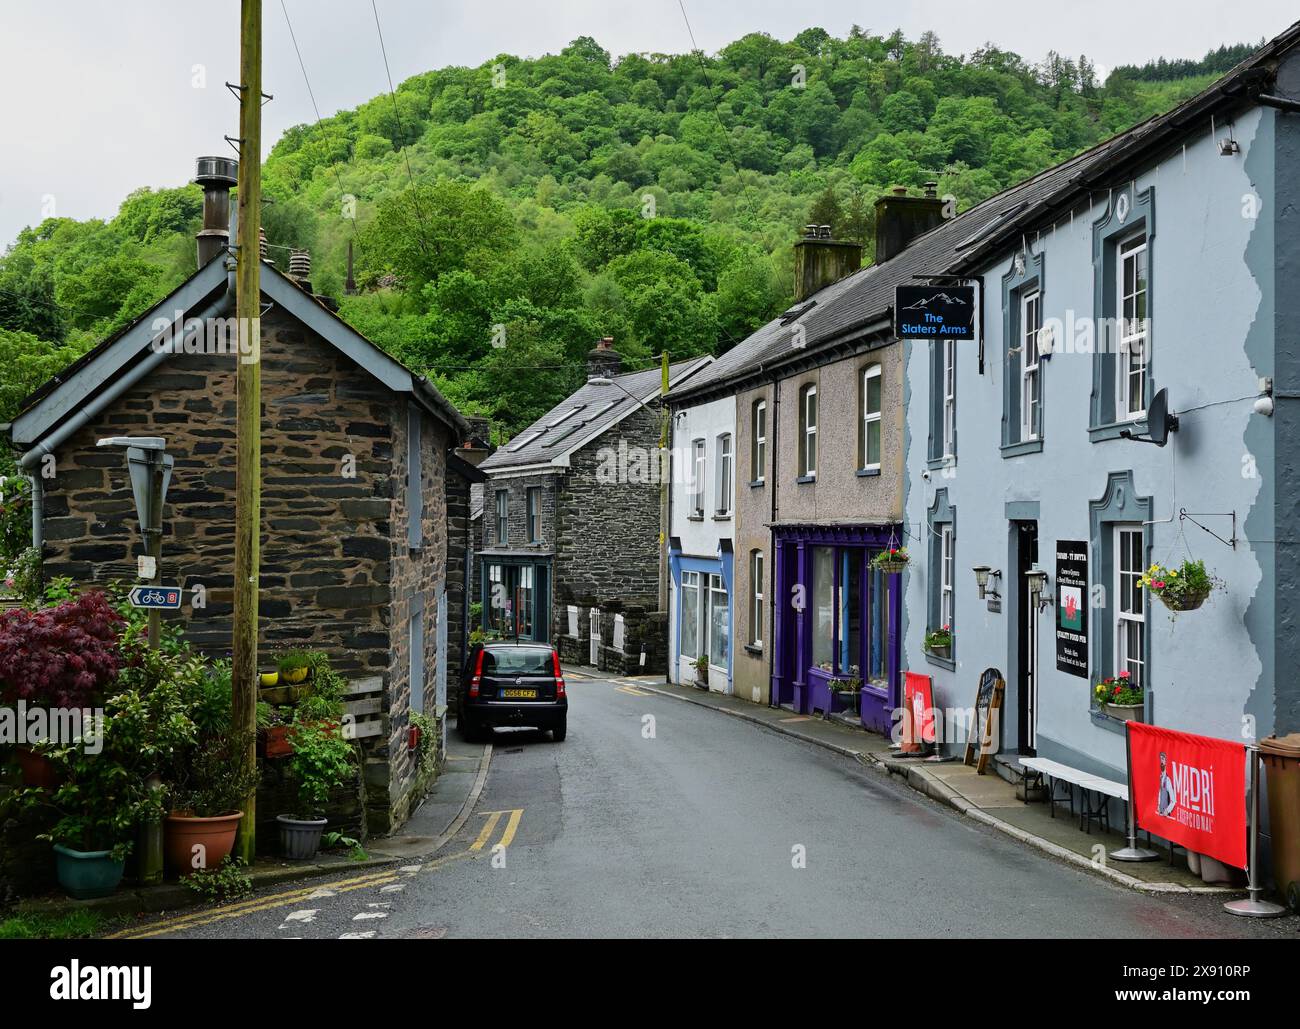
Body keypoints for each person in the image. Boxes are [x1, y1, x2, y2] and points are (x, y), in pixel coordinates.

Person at [1157, 751, 1176, 816]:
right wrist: (1158, 805)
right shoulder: (1160, 777)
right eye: (1160, 759)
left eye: (1163, 759)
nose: (1161, 761)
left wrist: (1167, 810)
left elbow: (1173, 801)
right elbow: (1160, 793)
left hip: (1166, 817)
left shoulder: (1167, 780)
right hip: (1160, 815)